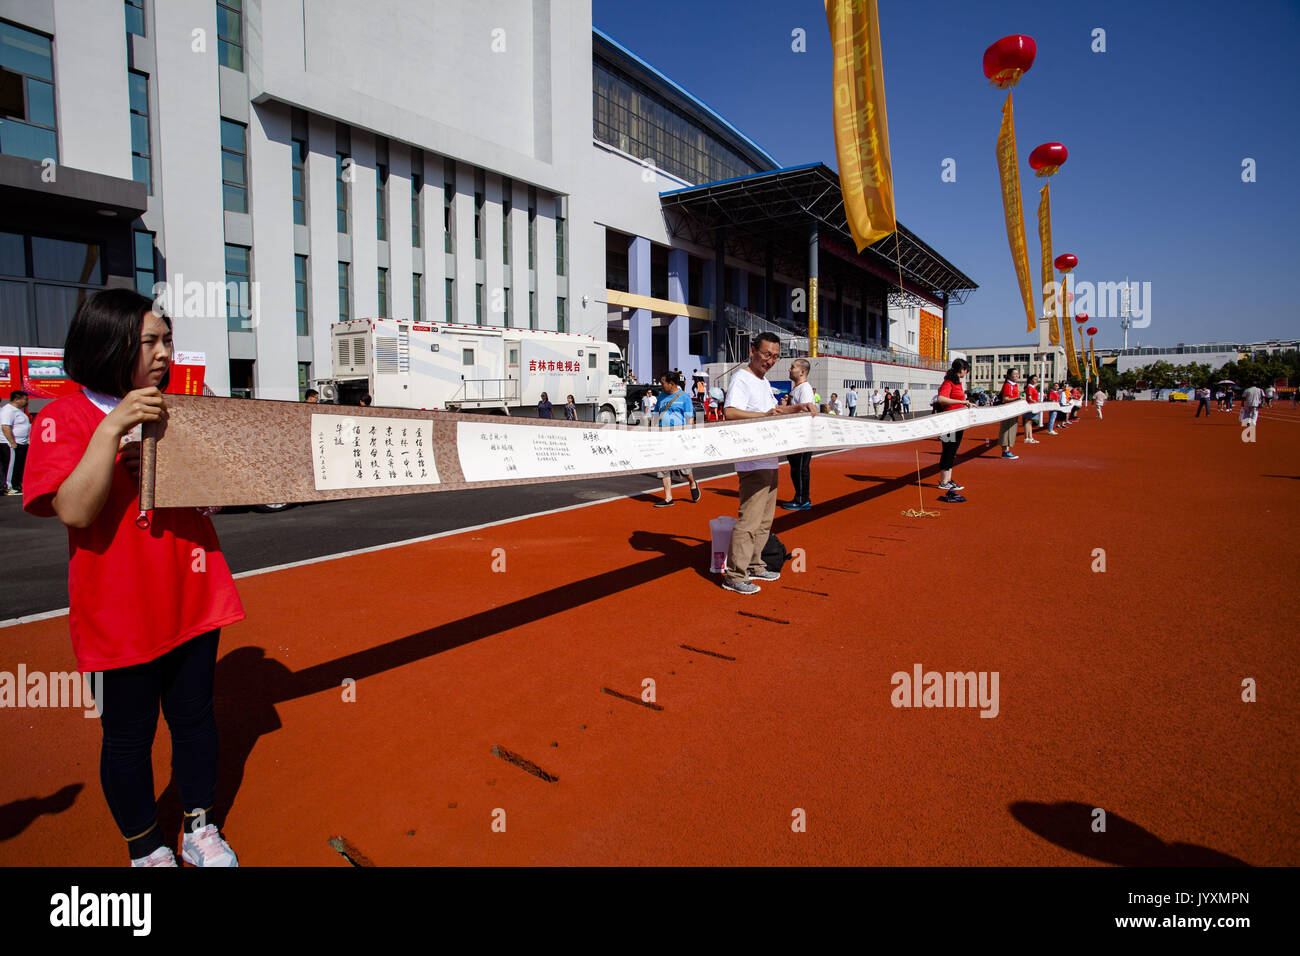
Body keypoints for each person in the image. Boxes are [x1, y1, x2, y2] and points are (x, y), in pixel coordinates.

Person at [22, 289, 244, 867]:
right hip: (117, 612)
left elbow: (218, 500)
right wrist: (110, 432)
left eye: (166, 340)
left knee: (195, 719)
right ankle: (146, 849)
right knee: (128, 737)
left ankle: (199, 828)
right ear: (109, 343)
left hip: (194, 596)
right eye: (150, 341)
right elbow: (73, 510)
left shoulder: (180, 411)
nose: (165, 353)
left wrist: (187, 471)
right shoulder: (63, 417)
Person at [722, 333, 817, 595]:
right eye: (766, 355)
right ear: (753, 351)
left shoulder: (762, 382)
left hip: (769, 458)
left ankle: (754, 563)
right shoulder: (742, 378)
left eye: (775, 356)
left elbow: (773, 410)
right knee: (749, 519)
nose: (770, 361)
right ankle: (734, 573)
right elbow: (730, 412)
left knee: (765, 519)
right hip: (752, 461)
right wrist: (764, 415)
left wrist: (798, 409)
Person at [652, 372, 700, 507]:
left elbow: (689, 418)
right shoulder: (661, 397)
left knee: (683, 468)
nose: (661, 385)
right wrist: (654, 430)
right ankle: (668, 498)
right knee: (663, 466)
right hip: (663, 437)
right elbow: (655, 414)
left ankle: (692, 482)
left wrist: (687, 435)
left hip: (678, 437)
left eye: (663, 383)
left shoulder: (684, 397)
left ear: (671, 384)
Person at [779, 358, 816, 512]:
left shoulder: (805, 389)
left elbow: (806, 410)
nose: (789, 369)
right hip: (795, 435)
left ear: (802, 372)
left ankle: (802, 499)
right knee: (796, 468)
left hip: (802, 436)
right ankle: (800, 497)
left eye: (792, 367)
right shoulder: (797, 389)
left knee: (800, 468)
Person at [935, 358, 973, 502]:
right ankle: (943, 481)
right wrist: (962, 402)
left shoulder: (958, 383)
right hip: (948, 422)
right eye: (966, 370)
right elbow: (942, 399)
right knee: (948, 450)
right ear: (961, 369)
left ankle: (948, 479)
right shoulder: (948, 382)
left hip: (957, 421)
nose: (966, 372)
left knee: (953, 451)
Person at [1, 390, 31, 495]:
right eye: (25, 399)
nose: (27, 401)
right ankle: (9, 488)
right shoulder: (8, 410)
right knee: (11, 466)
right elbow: (5, 426)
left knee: (18, 467)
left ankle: (16, 485)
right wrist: (12, 442)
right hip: (11, 444)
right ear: (17, 399)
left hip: (22, 443)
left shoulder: (18, 410)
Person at [997, 369, 1021, 459]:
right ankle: (1005, 451)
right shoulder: (1008, 385)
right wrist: (1017, 399)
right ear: (1009, 375)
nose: (1017, 375)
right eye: (1014, 374)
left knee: (1011, 429)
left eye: (1017, 374)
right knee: (1006, 429)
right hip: (1008, 410)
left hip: (1013, 409)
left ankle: (1007, 450)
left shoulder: (1014, 385)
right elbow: (1005, 399)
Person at [1022, 375, 1040, 443]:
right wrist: (1034, 401)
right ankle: (1027, 437)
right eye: (1034, 379)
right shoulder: (1029, 387)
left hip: (1033, 405)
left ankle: (1031, 437)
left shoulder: (1033, 387)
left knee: (1030, 422)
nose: (1036, 380)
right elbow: (1029, 397)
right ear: (1030, 380)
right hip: (1030, 405)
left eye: (1036, 379)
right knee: (1028, 421)